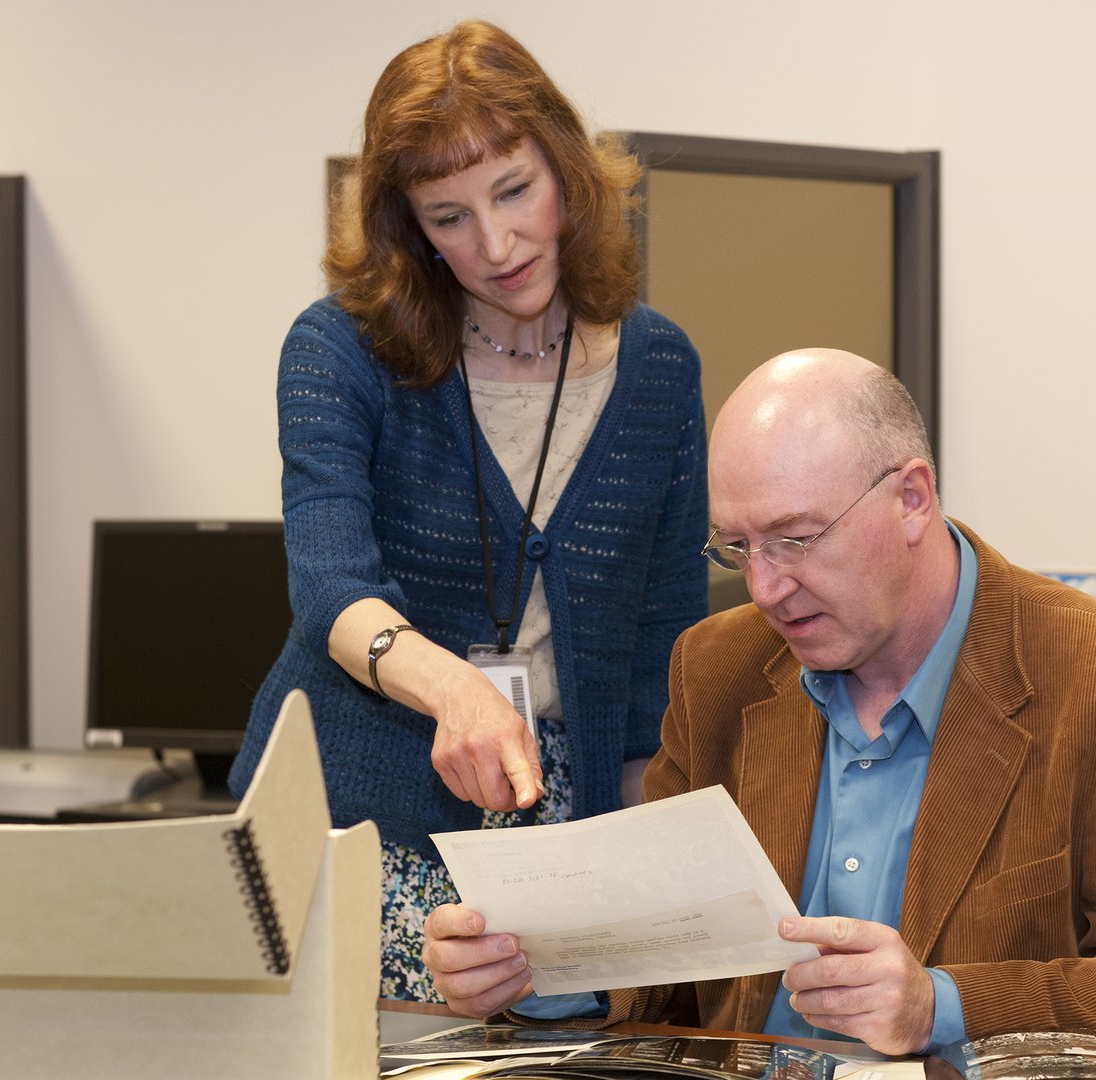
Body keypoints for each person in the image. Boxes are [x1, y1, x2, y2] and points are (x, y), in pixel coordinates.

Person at [419, 350, 1096, 1074]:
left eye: (797, 538)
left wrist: (940, 1005)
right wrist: (537, 977)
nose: (765, 588)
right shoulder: (720, 668)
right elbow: (670, 963)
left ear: (913, 498)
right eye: (738, 547)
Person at [227, 20, 707, 1002]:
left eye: (514, 191)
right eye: (448, 217)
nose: (493, 245)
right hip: (351, 817)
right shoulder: (339, 350)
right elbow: (330, 586)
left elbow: (666, 633)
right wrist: (452, 690)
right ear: (409, 226)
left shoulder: (659, 368)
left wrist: (651, 870)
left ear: (566, 169)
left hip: (558, 824)